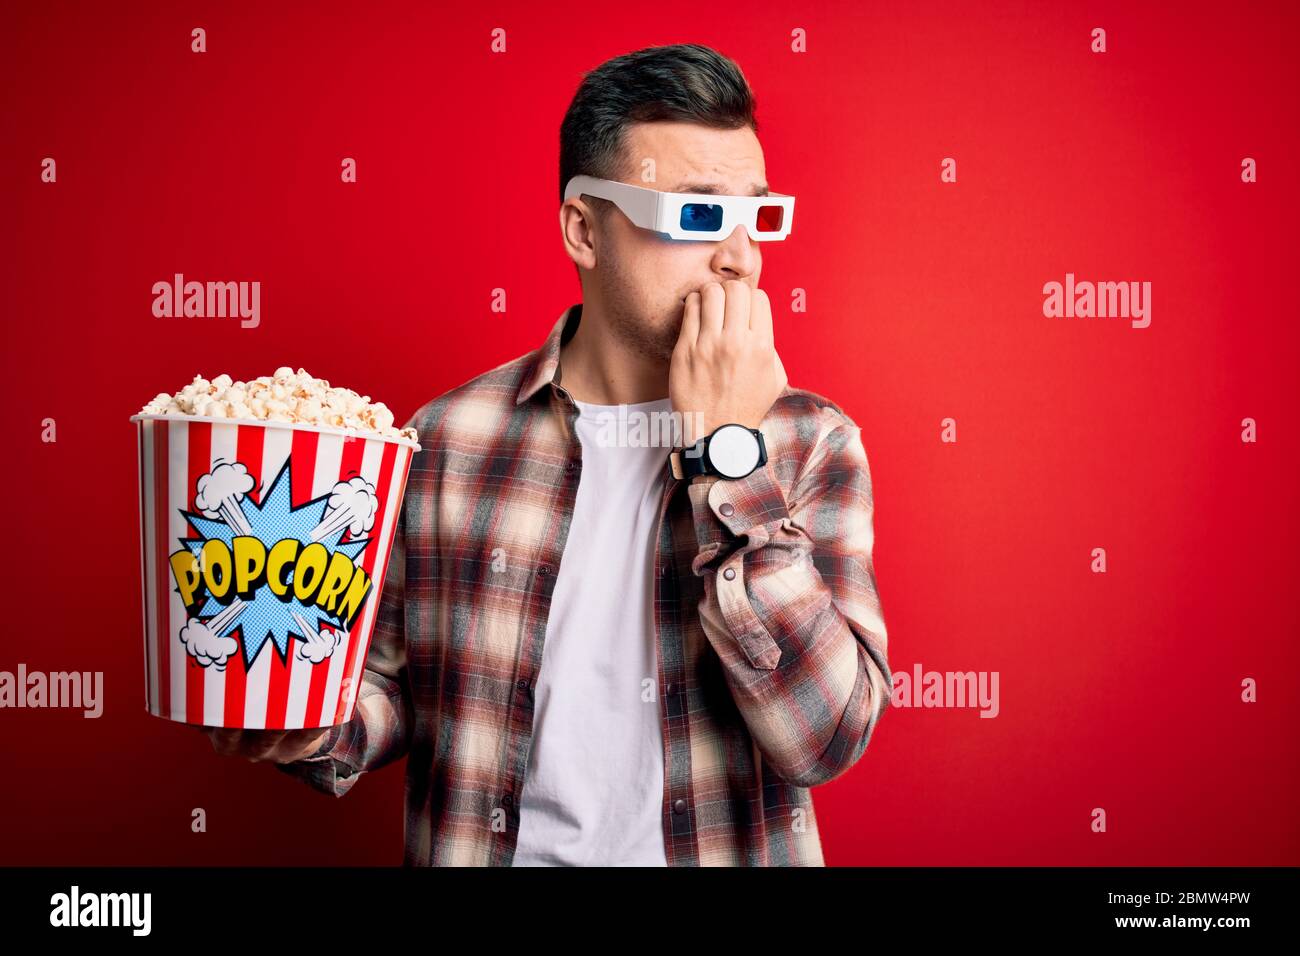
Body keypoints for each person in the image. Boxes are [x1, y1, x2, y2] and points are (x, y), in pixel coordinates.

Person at [202, 42, 891, 866]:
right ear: (583, 229)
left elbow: (827, 736)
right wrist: (304, 724)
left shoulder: (810, 444)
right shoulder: (450, 440)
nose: (741, 257)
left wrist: (728, 453)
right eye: (699, 214)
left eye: (757, 216)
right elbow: (395, 693)